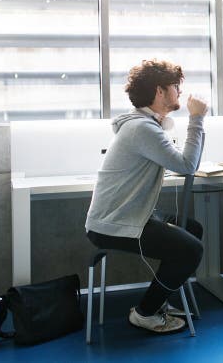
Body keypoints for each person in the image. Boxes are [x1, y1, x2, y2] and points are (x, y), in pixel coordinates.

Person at [85, 59, 208, 334]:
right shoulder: (142, 128)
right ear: (159, 92)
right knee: (191, 249)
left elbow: (184, 161)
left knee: (192, 228)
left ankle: (159, 299)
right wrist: (197, 119)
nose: (179, 91)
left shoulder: (146, 125)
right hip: (115, 223)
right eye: (175, 86)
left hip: (131, 216)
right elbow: (188, 165)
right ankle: (145, 312)